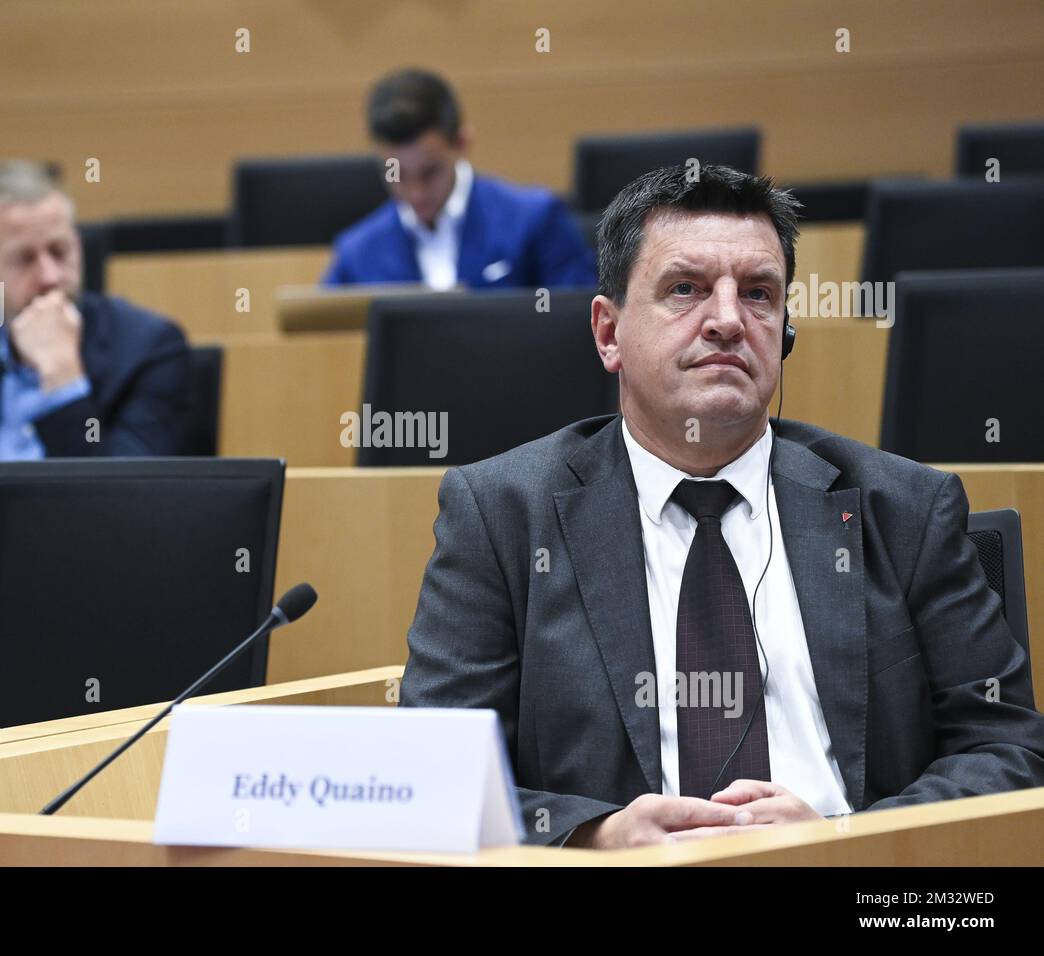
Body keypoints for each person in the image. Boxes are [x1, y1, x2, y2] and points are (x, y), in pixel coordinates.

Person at [399, 163, 1044, 849]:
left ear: (785, 330)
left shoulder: (905, 508)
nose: (730, 321)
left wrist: (844, 838)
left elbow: (1006, 748)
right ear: (608, 332)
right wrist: (596, 835)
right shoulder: (503, 514)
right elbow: (431, 775)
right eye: (687, 290)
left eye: (759, 294)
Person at [0, 160, 191, 472]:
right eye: (24, 259)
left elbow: (123, 504)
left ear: (78, 247)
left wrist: (63, 379)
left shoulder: (150, 349)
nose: (50, 276)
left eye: (59, 251)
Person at [322, 68, 595, 290]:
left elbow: (582, 330)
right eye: (396, 174)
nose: (415, 193)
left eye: (429, 173)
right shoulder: (356, 253)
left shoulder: (535, 221)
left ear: (462, 143)